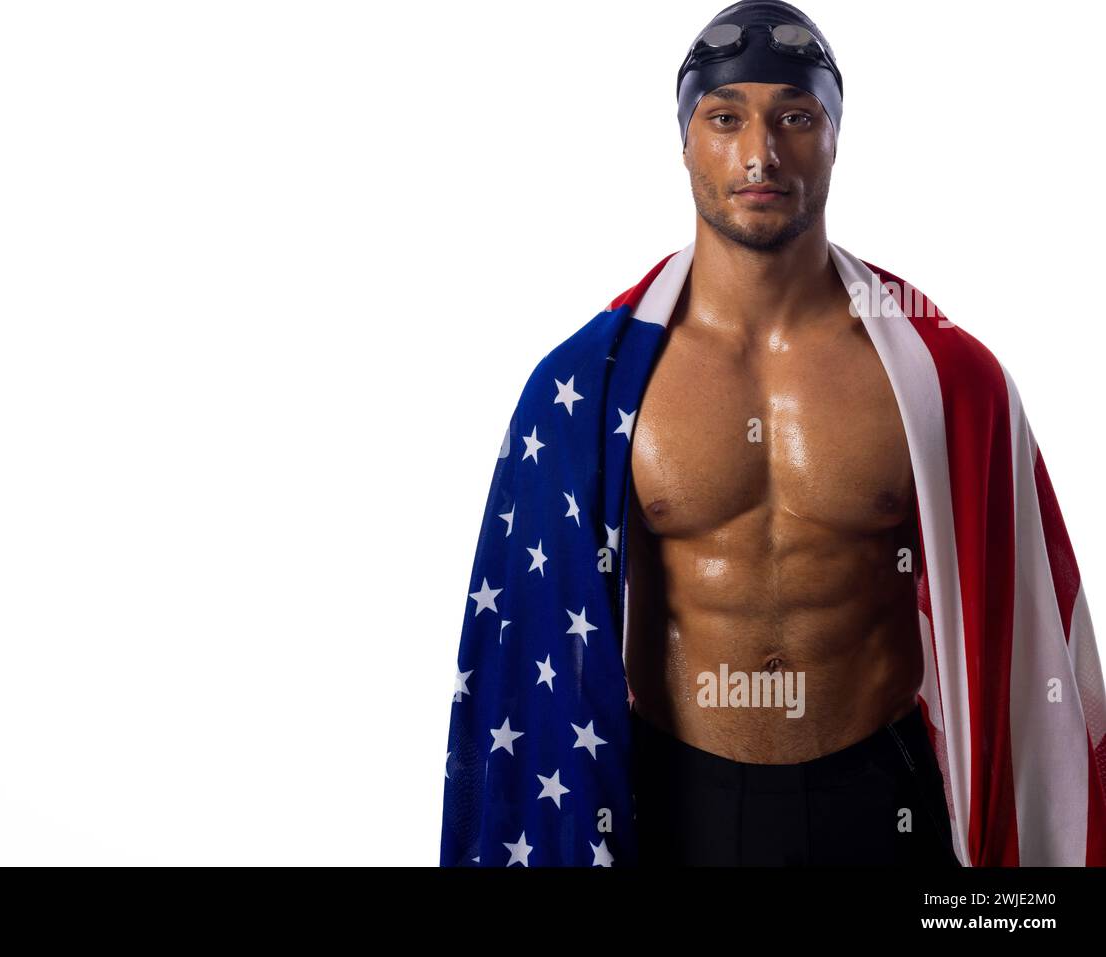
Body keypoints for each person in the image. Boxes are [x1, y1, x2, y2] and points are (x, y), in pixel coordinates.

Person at [440, 0, 1106, 867]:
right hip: (677, 802)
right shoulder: (584, 389)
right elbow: (520, 661)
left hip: (884, 801)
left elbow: (1021, 638)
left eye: (796, 117)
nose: (760, 153)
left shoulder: (950, 380)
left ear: (834, 136)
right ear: (685, 142)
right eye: (725, 119)